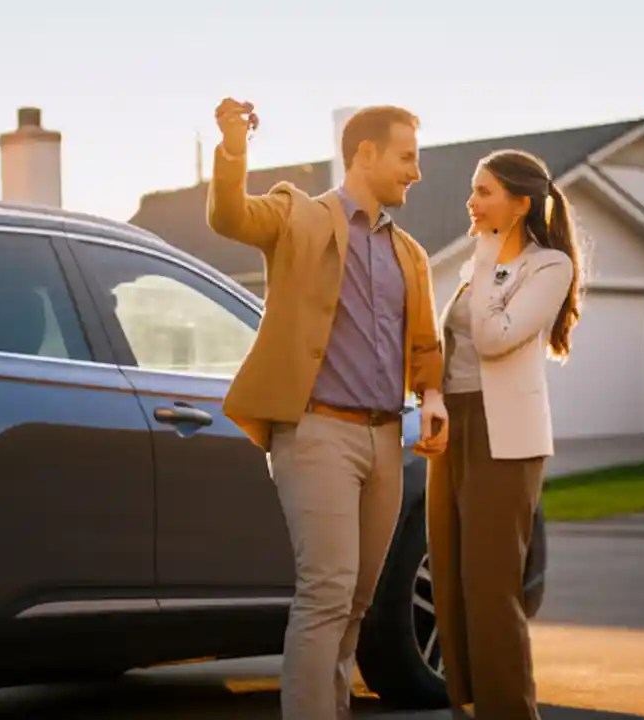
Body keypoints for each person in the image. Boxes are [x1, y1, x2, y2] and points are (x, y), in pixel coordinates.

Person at [207, 98, 449, 720]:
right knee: (326, 594)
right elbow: (230, 215)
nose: (415, 173)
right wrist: (234, 149)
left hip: (384, 441)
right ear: (365, 154)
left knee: (358, 601)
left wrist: (434, 396)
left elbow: (423, 340)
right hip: (317, 433)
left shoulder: (411, 256)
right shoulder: (300, 216)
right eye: (406, 159)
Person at [427, 149, 582, 720]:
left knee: (493, 588)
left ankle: (511, 712)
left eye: (484, 191)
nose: (472, 201)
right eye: (473, 189)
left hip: (507, 437)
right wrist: (434, 402)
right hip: (457, 426)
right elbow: (453, 346)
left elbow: (495, 340)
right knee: (452, 576)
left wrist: (490, 254)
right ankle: (471, 705)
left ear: (520, 203)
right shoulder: (478, 265)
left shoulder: (549, 266)